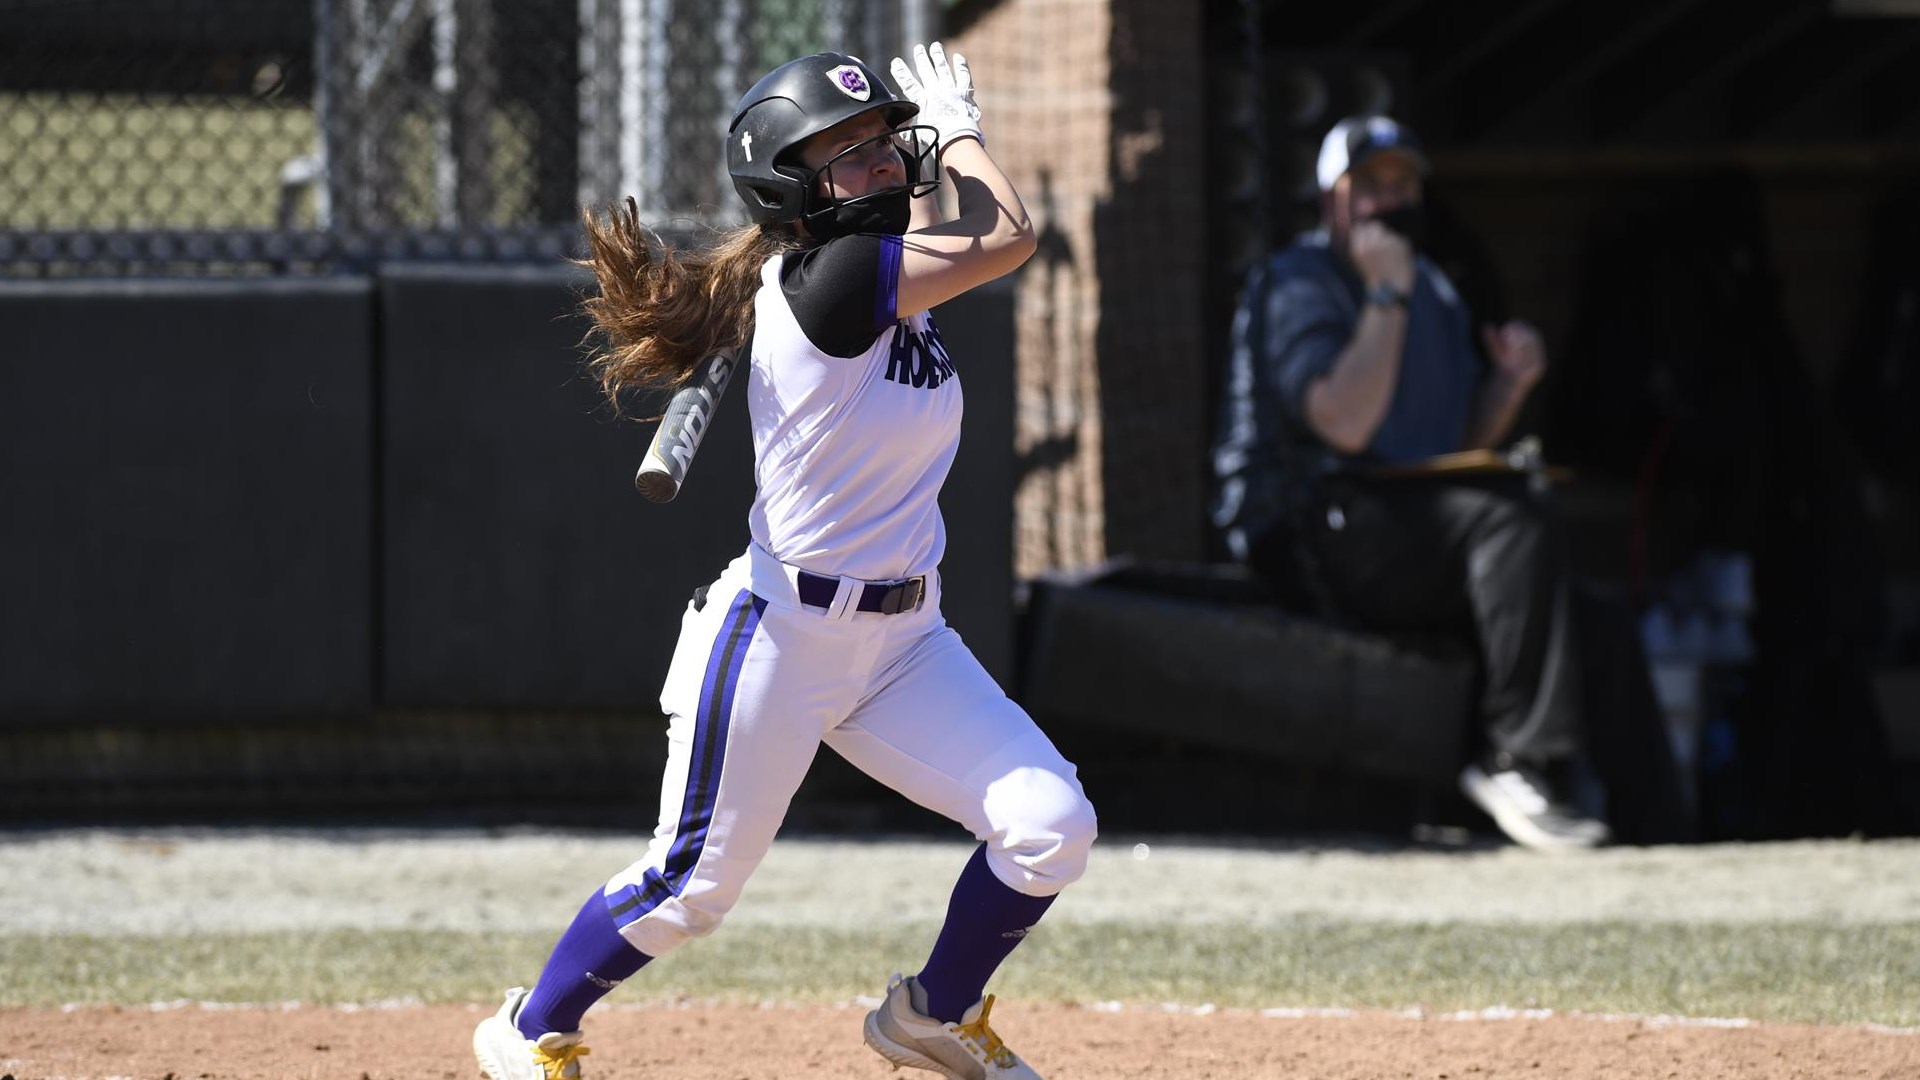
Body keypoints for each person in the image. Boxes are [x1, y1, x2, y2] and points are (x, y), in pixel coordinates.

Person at [471, 43, 1096, 1080]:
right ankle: (531, 1026)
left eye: (881, 143)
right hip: (782, 636)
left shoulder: (866, 270)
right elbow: (1009, 232)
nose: (883, 164)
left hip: (906, 642)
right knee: (692, 889)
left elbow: (965, 234)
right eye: (844, 154)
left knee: (1049, 826)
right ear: (790, 182)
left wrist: (929, 154)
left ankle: (931, 1015)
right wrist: (959, 137)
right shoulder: (837, 279)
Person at [1210, 114, 1612, 852]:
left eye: (1404, 184)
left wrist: (1508, 388)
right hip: (1300, 523)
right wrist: (1384, 297)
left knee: (1581, 590)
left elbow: (1451, 452)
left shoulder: (1433, 290)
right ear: (1334, 199)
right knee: (1510, 518)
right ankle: (1512, 761)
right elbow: (1344, 424)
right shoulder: (1299, 279)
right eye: (1371, 186)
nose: (1390, 201)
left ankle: (1648, 815)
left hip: (1398, 515)